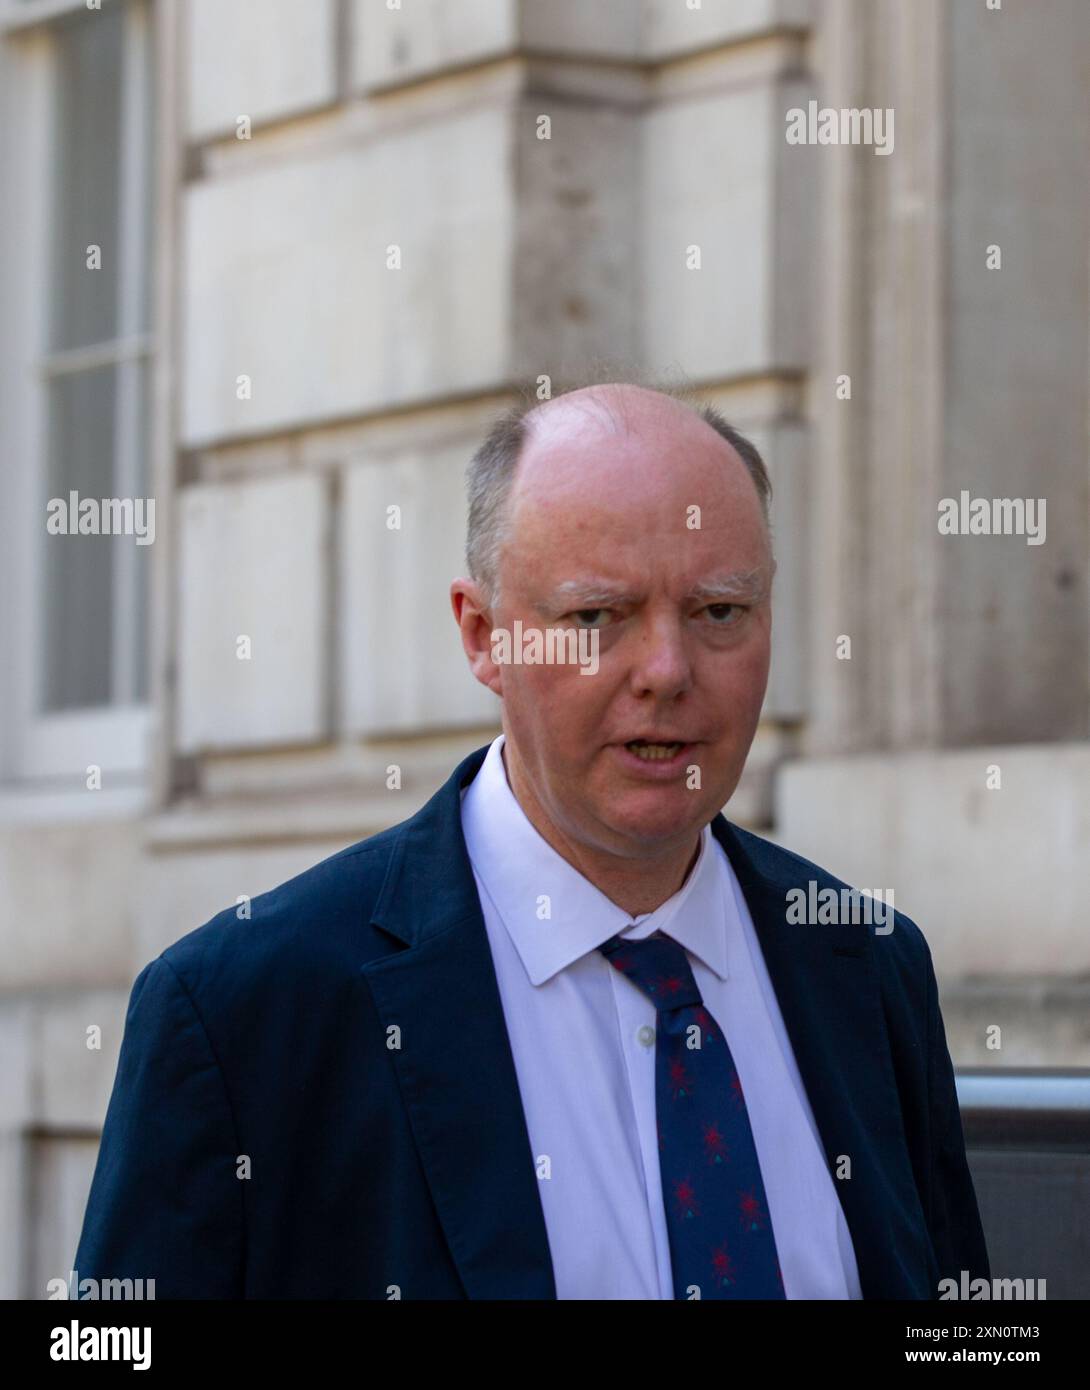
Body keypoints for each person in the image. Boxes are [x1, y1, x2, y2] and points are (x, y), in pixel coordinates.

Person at [73, 382, 990, 1299]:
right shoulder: (247, 1014)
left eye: (719, 612)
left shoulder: (867, 966)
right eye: (596, 618)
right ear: (483, 636)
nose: (666, 672)